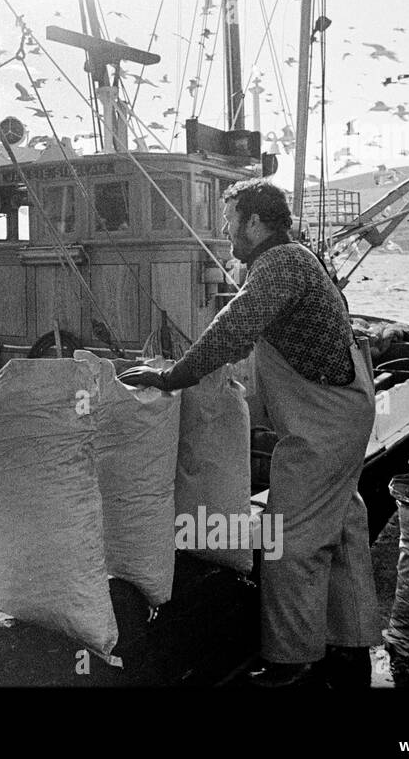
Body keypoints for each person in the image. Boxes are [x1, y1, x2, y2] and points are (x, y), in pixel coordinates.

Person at [118, 178, 379, 689]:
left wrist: (173, 378)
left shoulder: (279, 264)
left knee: (291, 537)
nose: (223, 230)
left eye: (229, 219)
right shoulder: (298, 260)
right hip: (344, 410)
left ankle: (293, 661)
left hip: (322, 423)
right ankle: (350, 650)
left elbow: (236, 326)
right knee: (340, 527)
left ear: (255, 223)